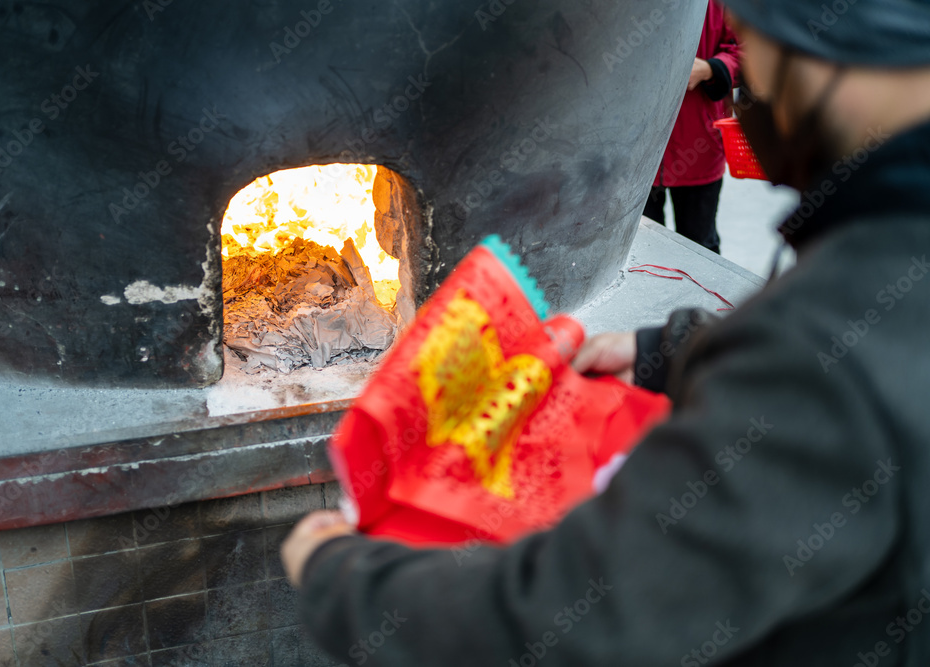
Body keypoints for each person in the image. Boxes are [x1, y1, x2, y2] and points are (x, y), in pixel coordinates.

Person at [282, 0, 930, 664]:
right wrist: (672, 351)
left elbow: (579, 614)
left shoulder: (834, 345)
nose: (756, 95)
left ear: (844, 59)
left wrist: (342, 577)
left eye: (762, 58)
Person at [643, 0, 740, 254]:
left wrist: (709, 69)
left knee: (700, 249)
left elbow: (749, 50)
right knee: (642, 251)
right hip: (638, 152)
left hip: (700, 146)